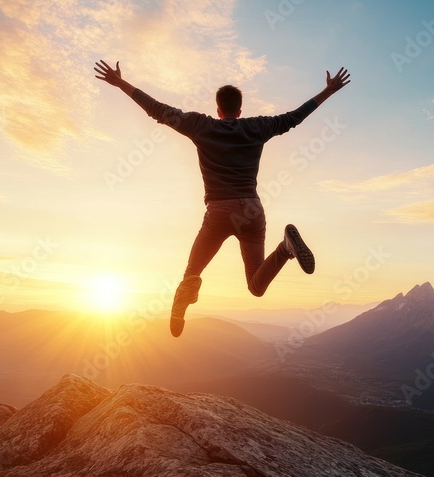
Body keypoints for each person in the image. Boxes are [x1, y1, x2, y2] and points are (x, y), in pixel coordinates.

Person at [94, 60, 351, 337]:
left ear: (218, 109)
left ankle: (182, 303)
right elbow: (294, 117)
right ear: (240, 110)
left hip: (218, 211)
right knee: (255, 287)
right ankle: (285, 248)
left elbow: (158, 109)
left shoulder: (201, 125)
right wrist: (329, 91)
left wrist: (121, 84)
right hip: (252, 210)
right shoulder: (257, 127)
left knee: (193, 271)